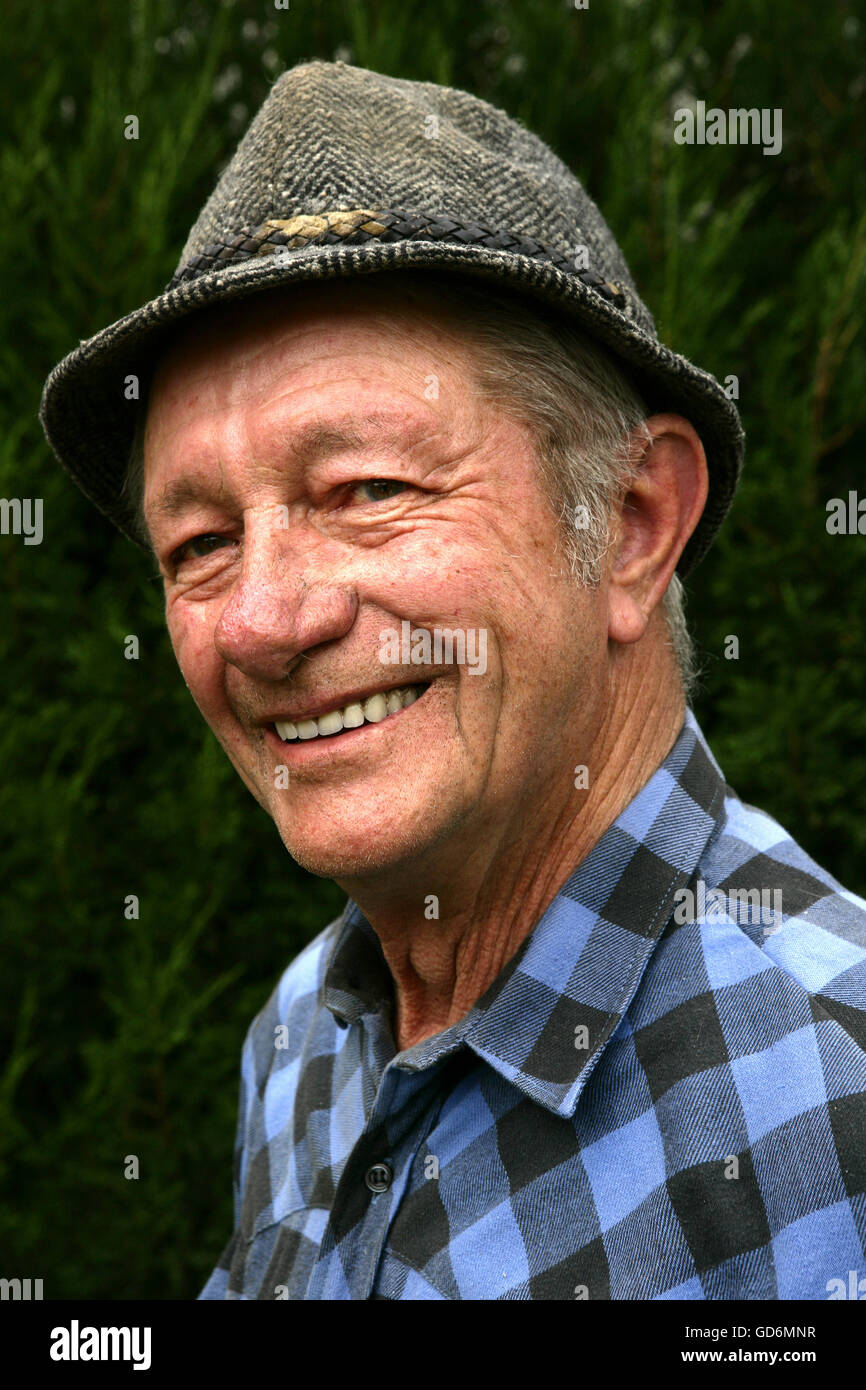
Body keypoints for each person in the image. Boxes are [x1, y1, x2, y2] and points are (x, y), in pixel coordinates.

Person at [40, 60, 866, 1301]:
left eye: (368, 490)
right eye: (199, 544)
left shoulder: (834, 1109)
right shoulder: (308, 1029)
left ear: (634, 524)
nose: (262, 621)